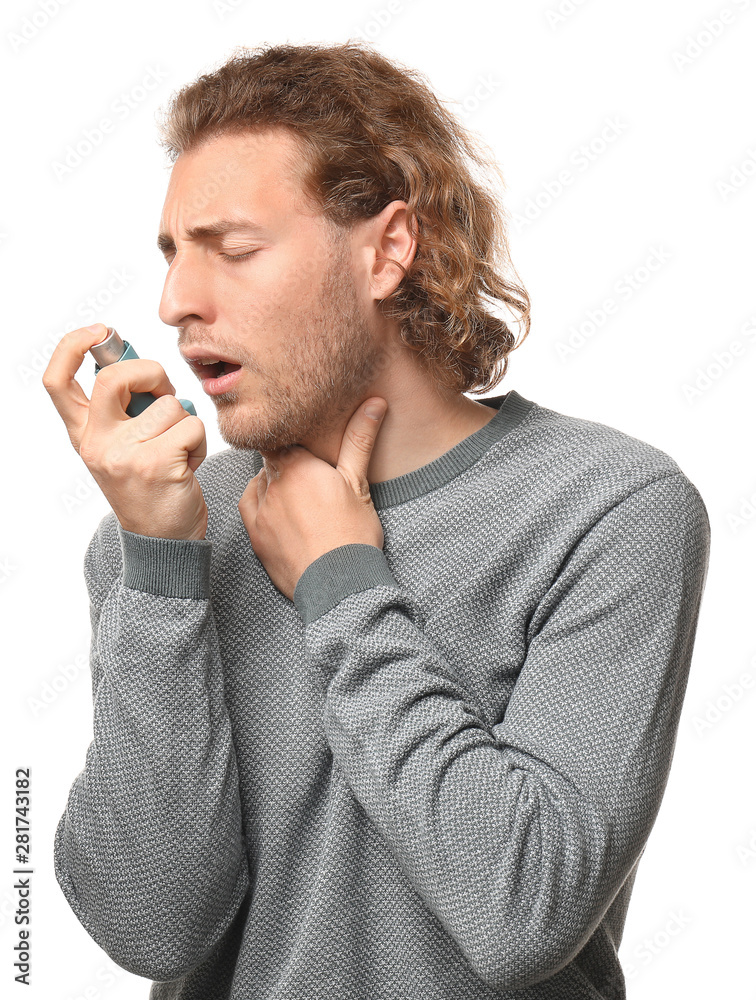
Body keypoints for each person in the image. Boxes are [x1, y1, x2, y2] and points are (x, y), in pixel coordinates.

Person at [44, 41, 710, 1000]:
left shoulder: (607, 509)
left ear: (387, 251)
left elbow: (522, 914)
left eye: (231, 250)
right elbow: (151, 925)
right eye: (173, 256)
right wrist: (157, 559)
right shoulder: (163, 535)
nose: (177, 302)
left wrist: (343, 584)